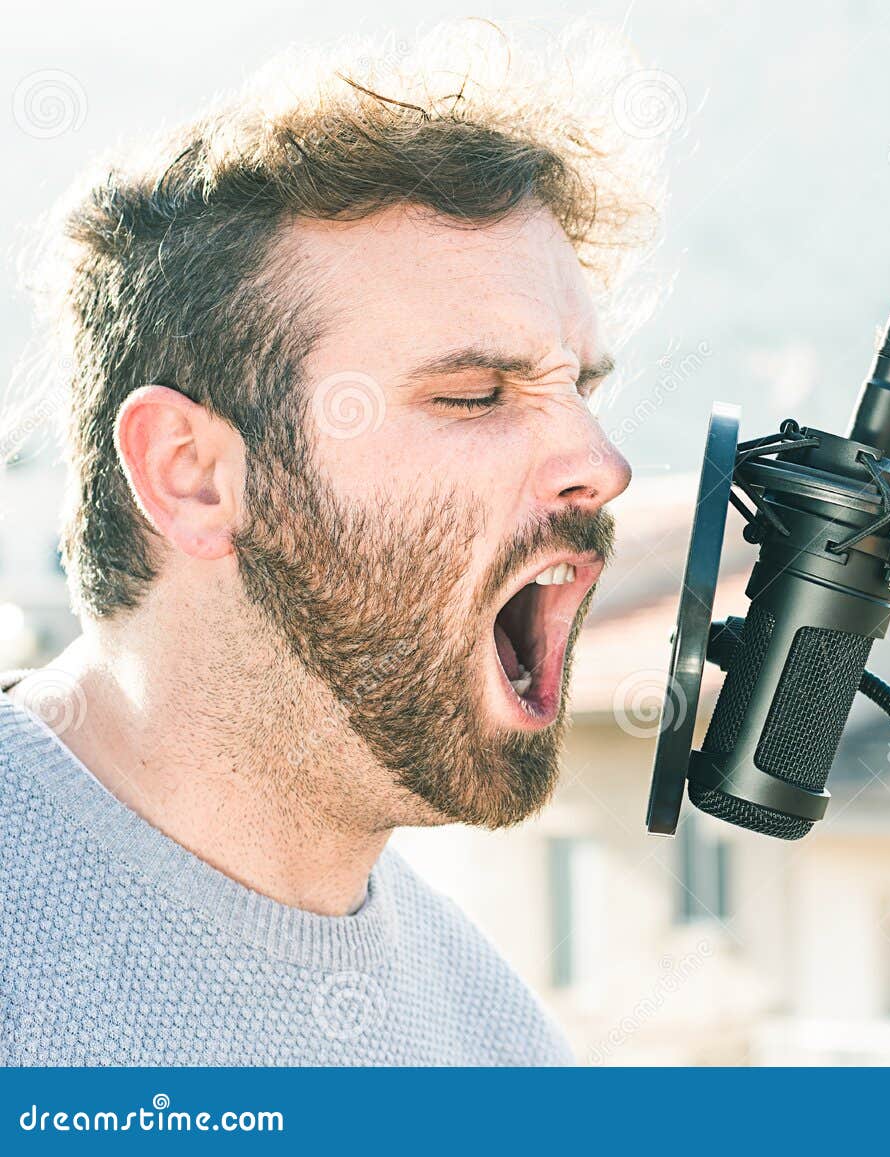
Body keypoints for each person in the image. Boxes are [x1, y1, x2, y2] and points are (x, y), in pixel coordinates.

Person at [0, 24, 655, 1065]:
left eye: (580, 387)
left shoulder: (498, 1040)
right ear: (192, 473)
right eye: (475, 392)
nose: (601, 463)